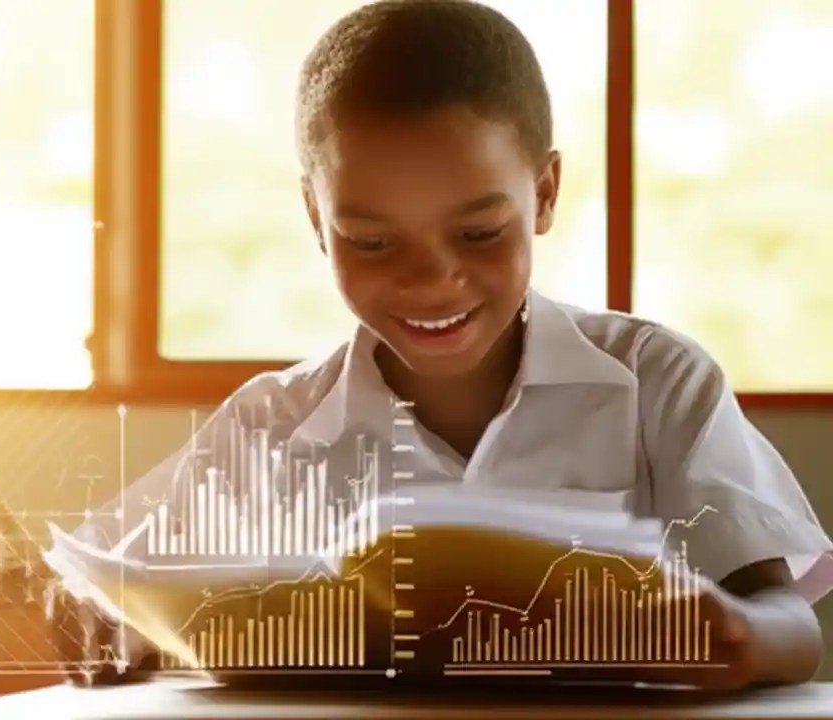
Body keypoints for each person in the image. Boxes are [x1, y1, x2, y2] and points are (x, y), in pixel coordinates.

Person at [46, 0, 833, 690]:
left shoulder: (655, 381)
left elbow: (791, 623)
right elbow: (97, 578)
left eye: (479, 233)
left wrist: (726, 635)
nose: (433, 281)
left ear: (546, 195)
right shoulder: (269, 425)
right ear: (317, 223)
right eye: (371, 242)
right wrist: (107, 622)